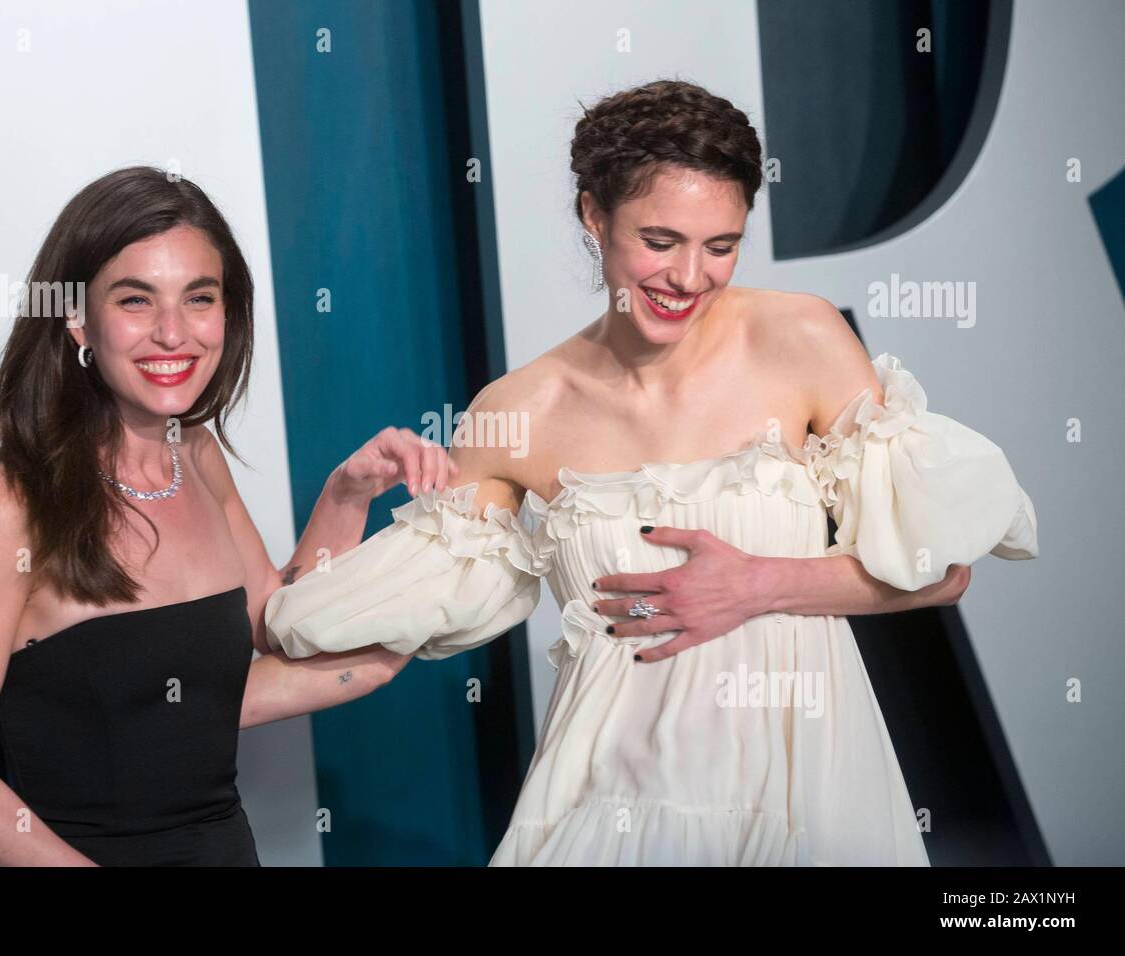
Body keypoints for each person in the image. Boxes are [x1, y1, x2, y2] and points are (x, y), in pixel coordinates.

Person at [264, 79, 1040, 865]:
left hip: (805, 791)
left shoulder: (799, 338)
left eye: (721, 245)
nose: (690, 277)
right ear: (593, 216)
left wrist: (758, 583)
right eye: (660, 241)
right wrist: (344, 494)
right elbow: (330, 627)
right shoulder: (519, 410)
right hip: (610, 805)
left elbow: (942, 574)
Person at [0, 166, 454, 866]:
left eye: (200, 298)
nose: (173, 334)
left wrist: (346, 495)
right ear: (77, 318)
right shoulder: (11, 503)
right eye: (135, 302)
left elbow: (279, 629)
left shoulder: (193, 453)